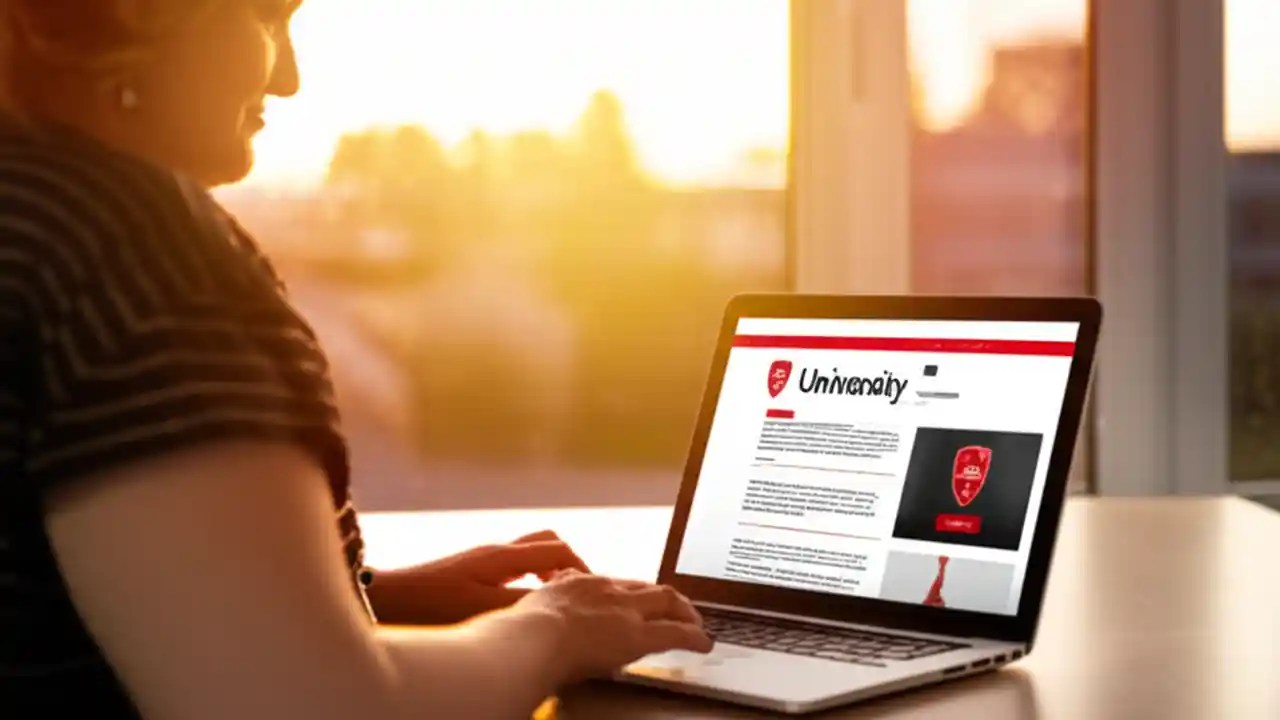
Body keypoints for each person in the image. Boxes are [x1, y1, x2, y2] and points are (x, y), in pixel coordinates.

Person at [0, 1, 712, 717]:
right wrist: (552, 628)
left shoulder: (28, 211)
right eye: (266, 17)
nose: (287, 77)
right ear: (139, 17)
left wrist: (358, 597)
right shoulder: (128, 255)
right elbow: (307, 707)